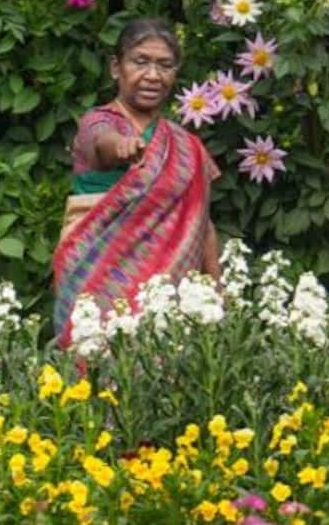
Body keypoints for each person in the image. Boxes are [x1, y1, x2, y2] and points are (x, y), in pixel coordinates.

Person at [53, 17, 221, 347]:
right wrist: (122, 147)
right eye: (140, 62)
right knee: (93, 360)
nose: (153, 75)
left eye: (165, 65)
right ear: (116, 67)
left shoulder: (186, 146)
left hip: (166, 292)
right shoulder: (97, 122)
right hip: (94, 279)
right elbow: (103, 143)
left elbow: (201, 223)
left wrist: (216, 293)